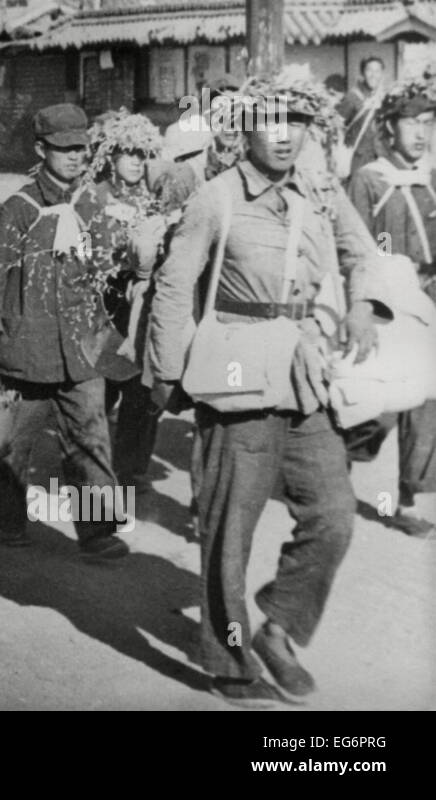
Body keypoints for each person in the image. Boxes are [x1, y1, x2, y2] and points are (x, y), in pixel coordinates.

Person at [147, 73, 379, 706]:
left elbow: (364, 256)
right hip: (237, 372)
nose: (284, 136)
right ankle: (227, 657)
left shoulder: (321, 192)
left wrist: (362, 307)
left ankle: (280, 627)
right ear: (245, 130)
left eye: (297, 124)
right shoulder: (215, 198)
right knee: (230, 528)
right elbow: (174, 285)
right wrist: (167, 376)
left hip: (304, 373)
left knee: (333, 514)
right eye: (271, 123)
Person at [0, 104, 128, 561]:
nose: (75, 157)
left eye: (81, 148)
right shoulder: (20, 208)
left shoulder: (94, 203)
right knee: (14, 445)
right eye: (64, 149)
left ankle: (98, 532)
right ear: (41, 150)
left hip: (82, 348)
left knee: (91, 441)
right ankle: (7, 519)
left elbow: (108, 267)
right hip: (27, 347)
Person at [346, 81, 436, 536]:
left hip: (428, 298)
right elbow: (355, 246)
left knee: (426, 402)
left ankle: (409, 497)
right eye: (410, 123)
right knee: (379, 406)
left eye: (428, 123)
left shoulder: (432, 178)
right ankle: (341, 455)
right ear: (388, 127)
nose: (421, 133)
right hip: (385, 300)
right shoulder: (369, 179)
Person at [86, 110, 168, 492]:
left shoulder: (154, 198)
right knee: (100, 392)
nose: (136, 161)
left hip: (143, 308)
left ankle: (130, 469)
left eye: (142, 154)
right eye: (128, 153)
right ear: (111, 155)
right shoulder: (93, 196)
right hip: (105, 306)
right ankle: (94, 470)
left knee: (143, 392)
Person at [336, 56, 387, 175]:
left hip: (380, 157)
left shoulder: (384, 97)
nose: (373, 75)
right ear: (363, 73)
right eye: (369, 70)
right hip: (358, 158)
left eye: (377, 71)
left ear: (382, 74)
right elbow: (337, 124)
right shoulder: (353, 97)